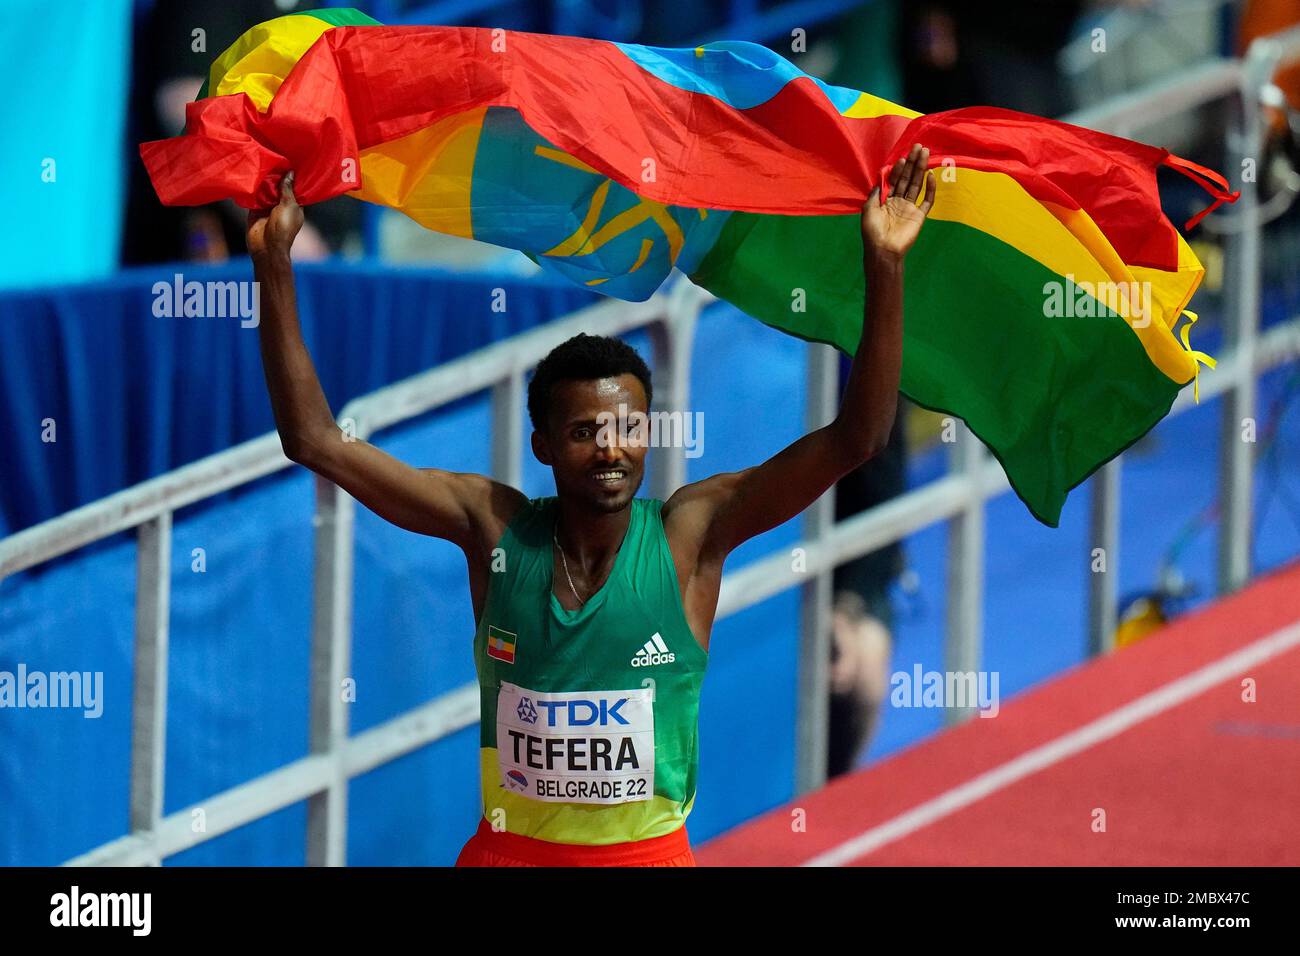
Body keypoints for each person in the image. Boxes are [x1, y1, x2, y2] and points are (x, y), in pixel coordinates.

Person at [248, 146, 938, 867]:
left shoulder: (690, 535)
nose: (610, 449)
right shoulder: (494, 527)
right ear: (543, 445)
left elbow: (859, 438)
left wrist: (885, 265)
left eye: (627, 428)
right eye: (584, 432)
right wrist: (273, 266)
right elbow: (315, 439)